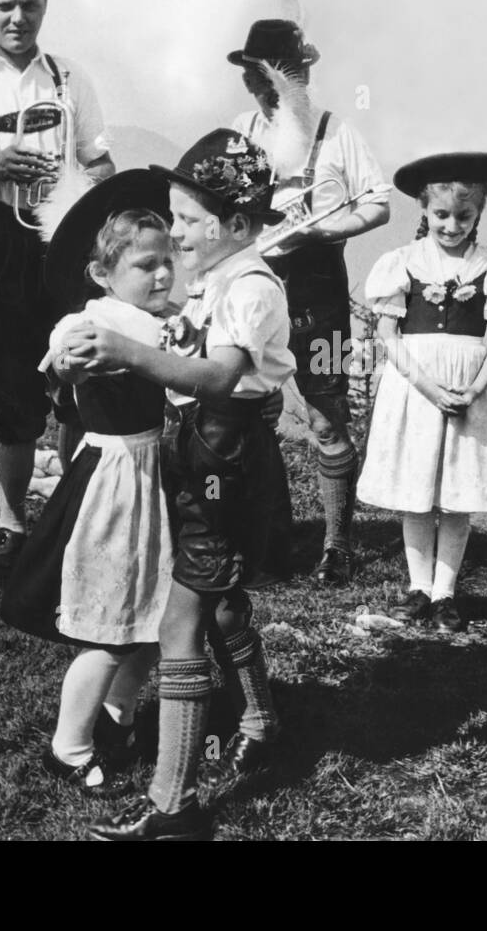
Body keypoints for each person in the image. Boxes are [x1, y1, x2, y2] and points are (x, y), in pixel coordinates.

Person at [76, 129, 295, 841]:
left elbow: (216, 377)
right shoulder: (215, 278)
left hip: (224, 457)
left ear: (235, 224)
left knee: (180, 625)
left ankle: (175, 807)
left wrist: (128, 351)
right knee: (222, 601)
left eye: (190, 220)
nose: (175, 233)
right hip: (200, 450)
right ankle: (261, 721)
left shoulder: (253, 285)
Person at [0, 171, 175, 789]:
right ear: (102, 275)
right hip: (117, 482)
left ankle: (116, 714)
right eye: (145, 266)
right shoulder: (103, 322)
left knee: (155, 616)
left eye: (168, 264)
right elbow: (66, 354)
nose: (161, 277)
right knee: (107, 625)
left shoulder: (154, 320)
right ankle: (68, 747)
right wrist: (71, 356)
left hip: (154, 475)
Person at [0, 0, 115, 574]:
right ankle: (12, 524)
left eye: (31, 5)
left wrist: (89, 191)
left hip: (60, 241)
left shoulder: (69, 77)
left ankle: (70, 520)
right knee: (9, 385)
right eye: (5, 5)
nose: (19, 17)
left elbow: (100, 160)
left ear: (45, 7)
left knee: (76, 375)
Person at [229, 19, 390, 585]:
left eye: (279, 75)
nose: (266, 88)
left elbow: (378, 204)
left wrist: (324, 230)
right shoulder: (241, 132)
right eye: (257, 76)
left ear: (302, 75)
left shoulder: (336, 131)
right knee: (255, 409)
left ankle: (337, 544)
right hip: (254, 288)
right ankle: (265, 535)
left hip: (318, 290)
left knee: (326, 413)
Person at [356, 152, 487, 634]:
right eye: (441, 215)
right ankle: (418, 587)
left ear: (479, 214)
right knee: (416, 491)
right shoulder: (401, 264)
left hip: (469, 389)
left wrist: (474, 389)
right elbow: (389, 336)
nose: (452, 225)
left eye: (464, 216)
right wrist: (430, 387)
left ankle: (446, 592)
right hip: (415, 387)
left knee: (456, 492)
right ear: (424, 211)